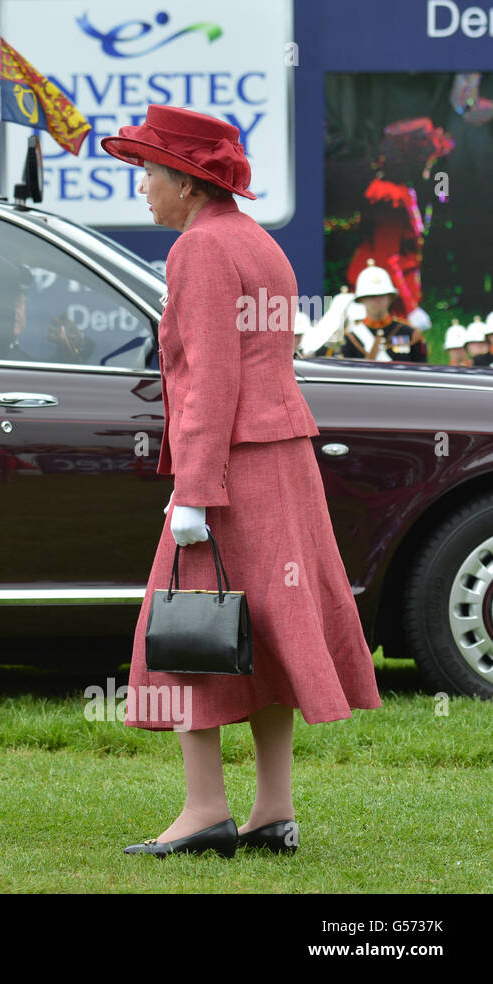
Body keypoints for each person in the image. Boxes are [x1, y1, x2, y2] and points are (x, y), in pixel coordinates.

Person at [101, 105, 381, 858]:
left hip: (230, 467)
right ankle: (273, 811)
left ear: (188, 183)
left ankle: (203, 811)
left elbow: (210, 384)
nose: (144, 189)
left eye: (151, 173)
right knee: (267, 631)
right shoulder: (258, 242)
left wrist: (192, 489)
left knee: (189, 632)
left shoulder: (198, 250)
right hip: (281, 458)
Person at [340, 259, 427, 362]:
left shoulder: (410, 333)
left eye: (382, 295)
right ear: (361, 300)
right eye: (371, 296)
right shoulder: (351, 338)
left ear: (391, 298)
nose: (377, 300)